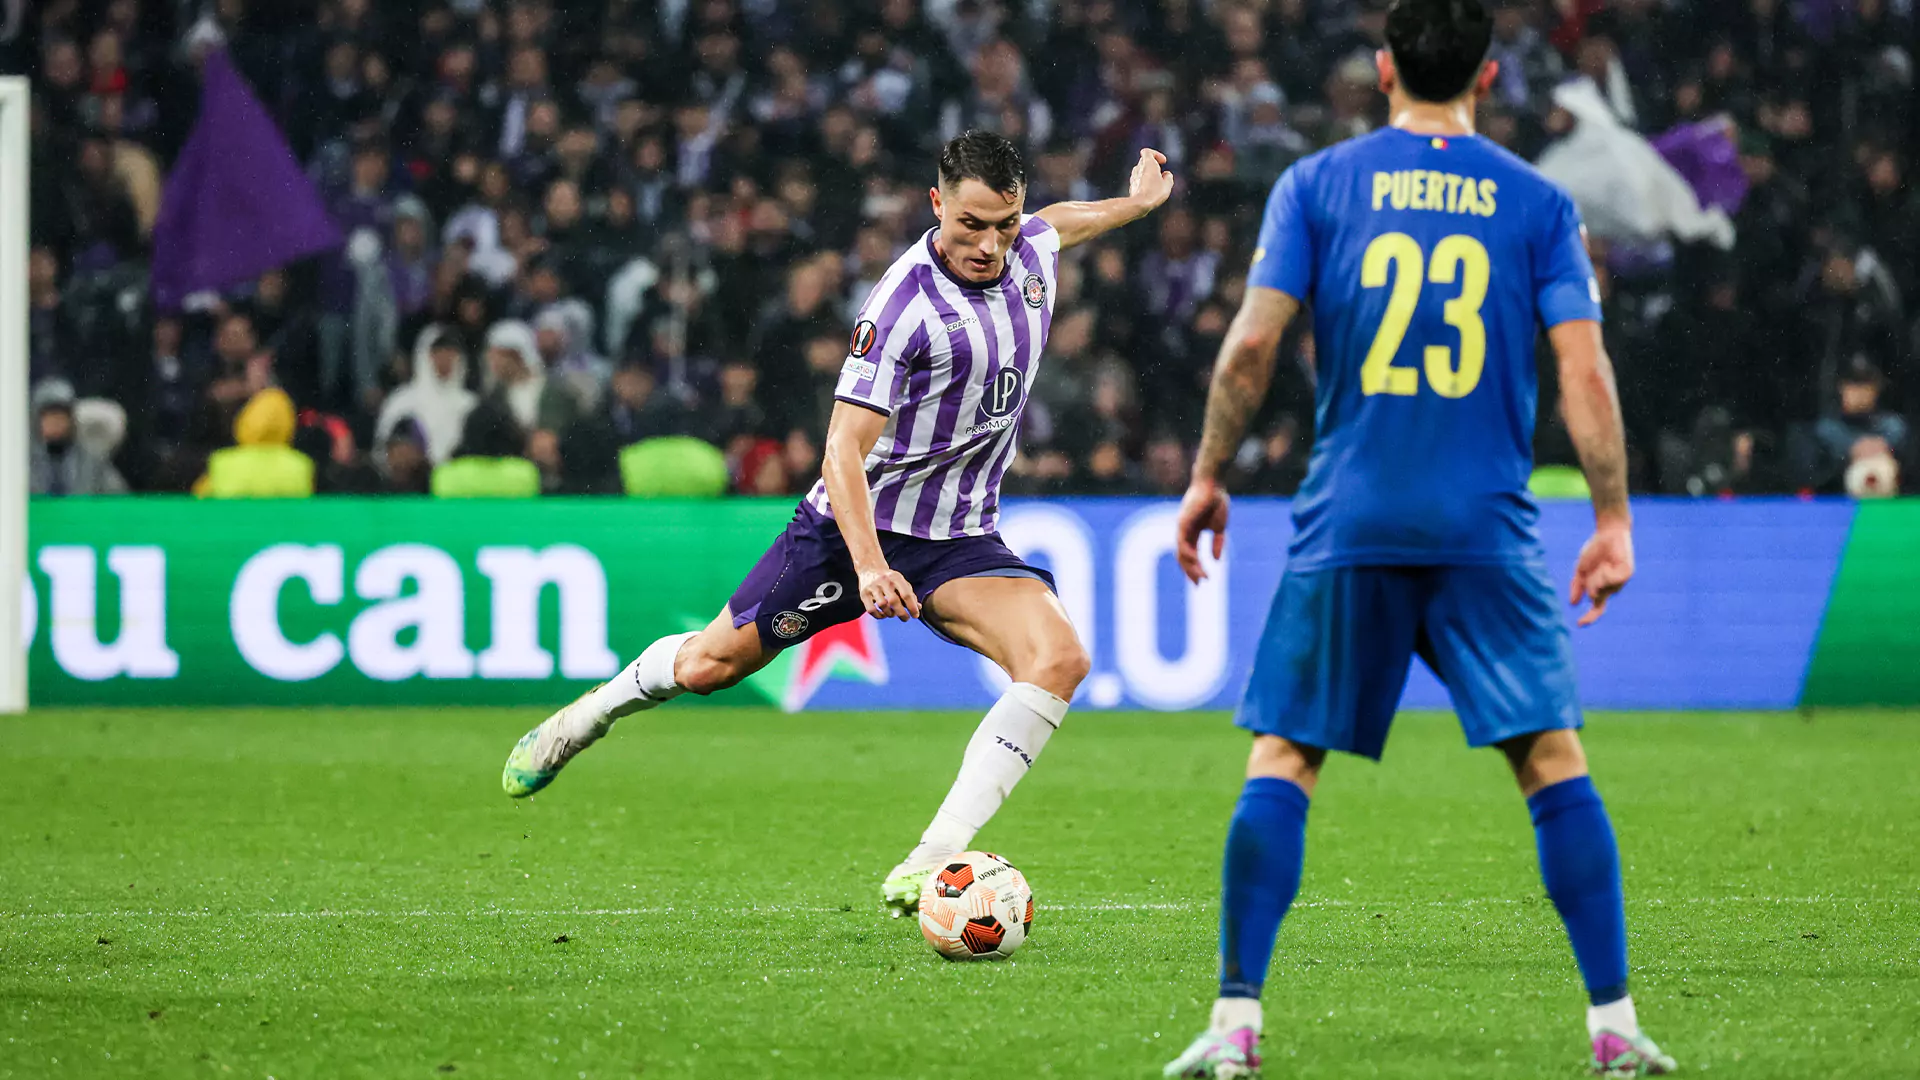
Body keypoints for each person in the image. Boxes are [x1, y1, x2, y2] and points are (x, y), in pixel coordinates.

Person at [1160, 2, 1676, 1077]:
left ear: (1384, 68)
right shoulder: (1537, 202)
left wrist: (1209, 472)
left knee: (1286, 757)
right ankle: (1616, 1028)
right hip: (1485, 523)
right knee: (1551, 759)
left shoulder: (1317, 185)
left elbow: (1252, 345)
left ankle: (1234, 1023)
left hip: (1352, 514)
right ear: (1487, 75)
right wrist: (1614, 517)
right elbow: (1584, 372)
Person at [500, 130, 1176, 913]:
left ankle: (929, 862)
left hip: (956, 538)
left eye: (1005, 224)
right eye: (971, 225)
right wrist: (866, 567)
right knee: (707, 668)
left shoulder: (1031, 248)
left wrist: (1134, 202)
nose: (991, 245)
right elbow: (841, 453)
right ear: (935, 205)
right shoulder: (900, 307)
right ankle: (588, 717)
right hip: (847, 535)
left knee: (1058, 657)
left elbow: (1068, 220)